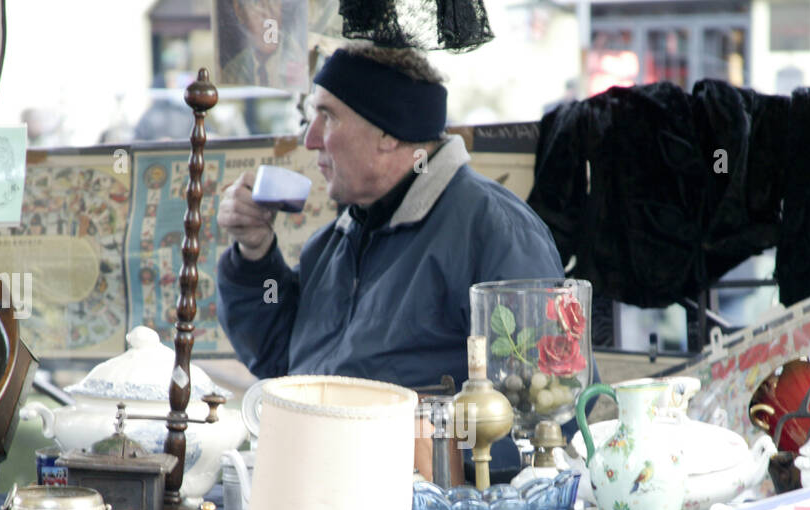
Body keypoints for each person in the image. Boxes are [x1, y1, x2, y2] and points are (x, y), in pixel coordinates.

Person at [216, 44, 565, 392]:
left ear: (386, 133)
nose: (310, 140)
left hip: (416, 448)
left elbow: (544, 400)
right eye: (311, 118)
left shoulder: (496, 232)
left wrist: (432, 446)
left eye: (329, 117)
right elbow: (277, 357)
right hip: (311, 440)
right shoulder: (333, 242)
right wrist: (255, 254)